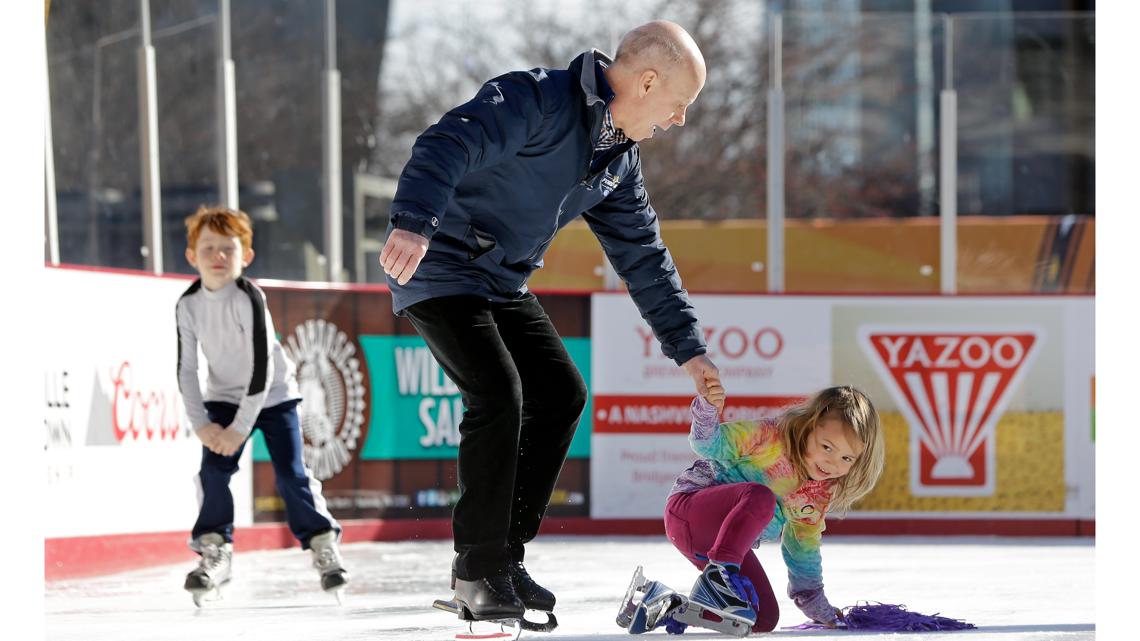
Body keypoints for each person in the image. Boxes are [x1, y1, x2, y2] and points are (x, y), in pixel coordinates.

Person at [378, 21, 721, 620]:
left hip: (500, 280)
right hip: (437, 264)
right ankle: (476, 570)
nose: (680, 120)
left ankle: (505, 557)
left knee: (561, 392)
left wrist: (688, 349)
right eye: (679, 104)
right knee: (497, 391)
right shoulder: (537, 99)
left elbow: (643, 256)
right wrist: (414, 220)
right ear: (646, 82)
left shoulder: (618, 160)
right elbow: (447, 141)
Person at [176, 205, 349, 606]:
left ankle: (322, 542)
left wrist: (238, 429)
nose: (218, 257)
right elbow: (186, 370)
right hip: (221, 398)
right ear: (192, 256)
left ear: (246, 256)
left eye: (228, 249)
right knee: (213, 472)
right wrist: (203, 424)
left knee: (290, 474)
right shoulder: (187, 305)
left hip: (272, 395)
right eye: (209, 248)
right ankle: (214, 549)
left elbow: (260, 369)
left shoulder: (249, 298)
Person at [663, 385, 885, 633]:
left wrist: (817, 605)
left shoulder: (817, 495)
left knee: (762, 618)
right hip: (689, 511)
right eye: (827, 447)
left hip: (717, 547)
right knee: (762, 497)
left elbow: (802, 548)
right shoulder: (770, 437)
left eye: (846, 459)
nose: (831, 464)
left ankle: (674, 609)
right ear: (808, 426)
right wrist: (707, 408)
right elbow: (707, 444)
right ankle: (719, 576)